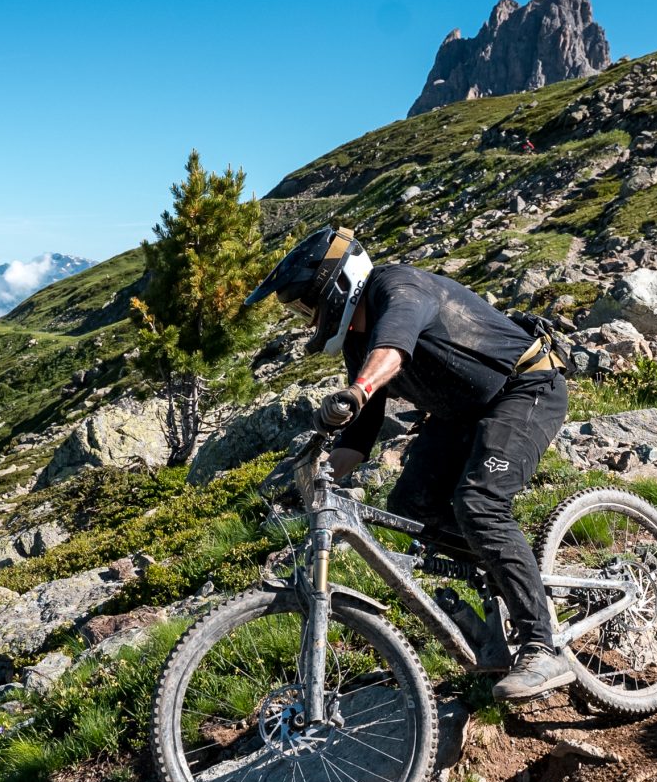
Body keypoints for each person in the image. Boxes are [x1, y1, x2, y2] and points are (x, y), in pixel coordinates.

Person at [243, 225, 574, 702]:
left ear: (334, 286)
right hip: (461, 413)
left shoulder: (397, 287)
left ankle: (543, 646)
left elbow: (393, 350)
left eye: (304, 305)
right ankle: (496, 607)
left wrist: (358, 390)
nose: (306, 318)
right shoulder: (359, 341)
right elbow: (361, 434)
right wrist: (319, 478)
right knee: (410, 507)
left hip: (524, 389)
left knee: (479, 506)